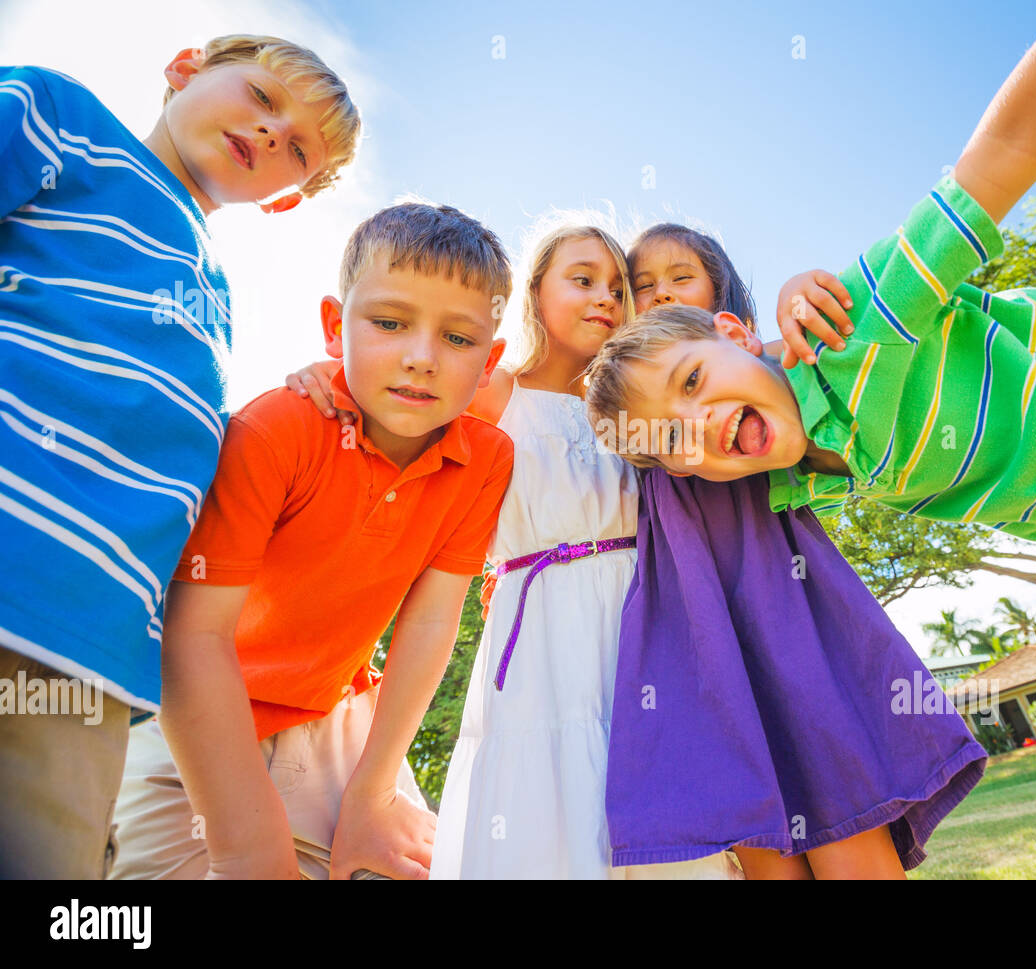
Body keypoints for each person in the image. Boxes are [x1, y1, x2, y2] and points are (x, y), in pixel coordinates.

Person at [583, 0, 1036, 767]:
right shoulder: (792, 478)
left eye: (694, 379)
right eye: (675, 439)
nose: (703, 420)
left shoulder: (851, 328)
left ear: (733, 331)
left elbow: (1007, 149)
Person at [0, 35, 360, 878]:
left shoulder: (216, 308)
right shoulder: (63, 118)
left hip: (94, 652)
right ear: (185, 68)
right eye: (264, 99)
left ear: (285, 200)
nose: (274, 134)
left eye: (299, 149)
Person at [290, 221, 742, 878]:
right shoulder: (494, 389)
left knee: (646, 788)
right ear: (533, 292)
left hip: (637, 621)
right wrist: (325, 375)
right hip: (537, 629)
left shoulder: (629, 404)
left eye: (618, 288)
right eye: (582, 279)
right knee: (549, 795)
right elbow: (402, 390)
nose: (604, 299)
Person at [110, 203, 513, 879]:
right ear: (335, 326)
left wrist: (373, 791)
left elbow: (432, 619)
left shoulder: (486, 460)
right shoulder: (278, 430)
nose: (420, 358)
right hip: (193, 711)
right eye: (388, 323)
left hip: (339, 718)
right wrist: (249, 845)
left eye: (458, 339)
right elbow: (194, 635)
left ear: (489, 357)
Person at [606, 224, 985, 878]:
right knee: (757, 816)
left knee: (833, 781)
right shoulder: (647, 423)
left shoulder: (747, 390)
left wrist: (792, 289)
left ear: (722, 305)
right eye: (643, 287)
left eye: (680, 277)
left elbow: (788, 349)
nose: (663, 293)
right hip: (709, 642)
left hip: (791, 619)